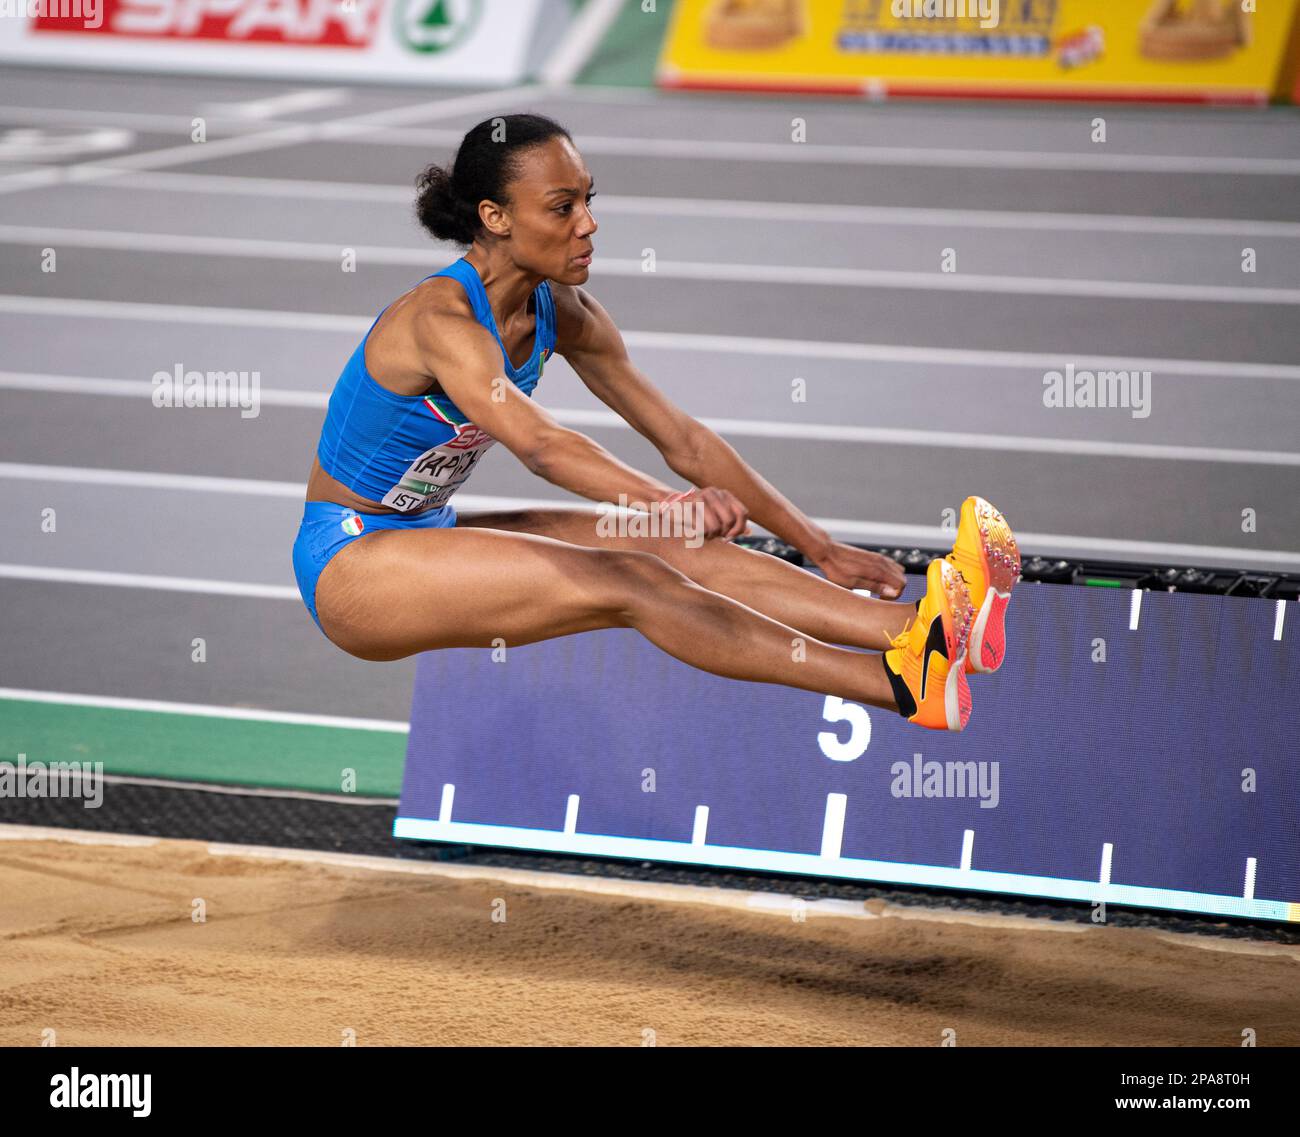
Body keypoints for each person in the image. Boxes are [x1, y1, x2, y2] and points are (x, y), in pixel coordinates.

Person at [291, 114, 1019, 732]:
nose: (589, 223)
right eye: (562, 207)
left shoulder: (562, 312)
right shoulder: (439, 320)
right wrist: (671, 507)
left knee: (671, 547)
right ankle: (898, 685)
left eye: (589, 200)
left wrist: (818, 545)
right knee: (637, 573)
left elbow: (684, 440)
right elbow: (542, 444)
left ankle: (919, 627)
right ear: (496, 217)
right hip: (351, 560)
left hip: (427, 533)